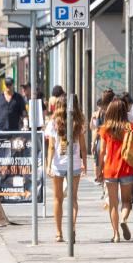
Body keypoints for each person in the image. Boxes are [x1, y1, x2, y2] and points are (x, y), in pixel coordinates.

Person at [44, 95, 86, 242]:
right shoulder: (78, 123)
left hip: (58, 164)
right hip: (74, 164)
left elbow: (50, 147)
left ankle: (58, 233)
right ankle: (72, 228)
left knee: (57, 199)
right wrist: (84, 163)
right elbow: (83, 147)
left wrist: (48, 165)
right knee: (74, 198)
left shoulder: (53, 123)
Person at [99, 97, 133, 242]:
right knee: (127, 201)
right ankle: (124, 219)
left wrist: (99, 169)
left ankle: (116, 234)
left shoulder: (105, 129)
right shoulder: (130, 127)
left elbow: (102, 151)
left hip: (110, 169)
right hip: (127, 168)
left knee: (113, 202)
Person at [90, 89, 115, 186]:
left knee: (102, 161)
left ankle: (104, 183)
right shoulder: (116, 109)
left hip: (103, 140)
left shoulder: (100, 113)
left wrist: (93, 143)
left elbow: (96, 130)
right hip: (114, 141)